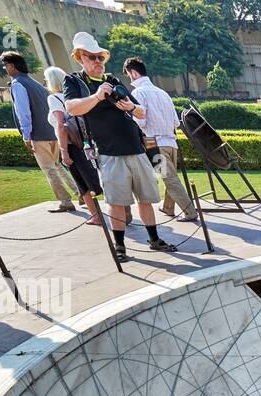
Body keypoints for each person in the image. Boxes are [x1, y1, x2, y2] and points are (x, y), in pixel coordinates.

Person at [63, 32, 175, 262]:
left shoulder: (113, 80)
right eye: (91, 57)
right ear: (80, 58)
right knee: (116, 202)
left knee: (146, 198)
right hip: (110, 152)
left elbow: (141, 111)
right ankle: (120, 245)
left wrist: (130, 108)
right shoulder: (74, 81)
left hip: (135, 148)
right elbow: (72, 108)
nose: (97, 62)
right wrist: (97, 96)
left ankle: (154, 238)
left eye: (100, 58)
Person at [0, 51, 77, 214]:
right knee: (57, 165)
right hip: (51, 132)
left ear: (12, 66)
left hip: (38, 134)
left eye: (5, 65)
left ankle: (65, 201)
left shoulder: (18, 84)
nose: (4, 68)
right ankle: (80, 193)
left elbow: (24, 112)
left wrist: (26, 136)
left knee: (49, 169)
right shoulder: (34, 83)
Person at [123, 57, 196, 223]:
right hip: (171, 142)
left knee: (169, 179)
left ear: (133, 73)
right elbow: (176, 123)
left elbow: (140, 121)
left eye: (128, 74)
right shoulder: (163, 93)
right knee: (170, 177)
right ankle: (168, 207)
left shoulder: (138, 93)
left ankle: (190, 212)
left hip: (153, 143)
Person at [44, 66, 102, 226]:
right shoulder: (74, 97)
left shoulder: (54, 98)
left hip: (72, 144)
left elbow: (61, 125)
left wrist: (64, 152)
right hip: (85, 141)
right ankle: (116, 212)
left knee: (83, 182)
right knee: (96, 175)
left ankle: (97, 216)